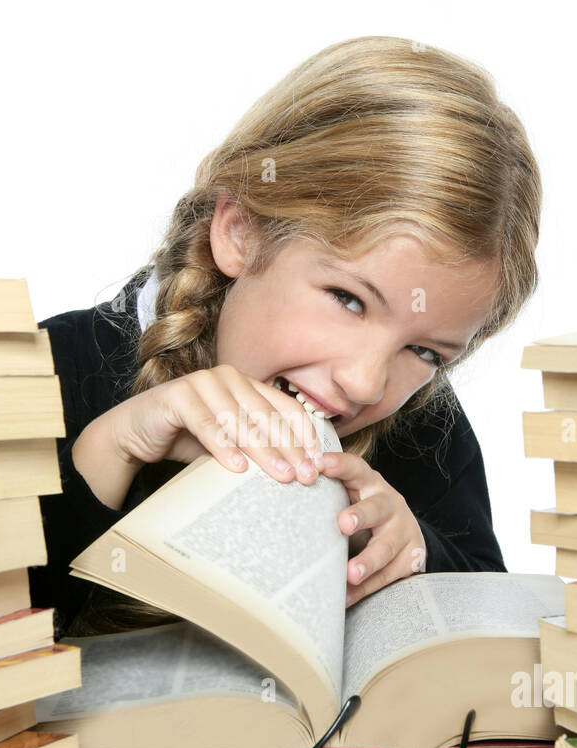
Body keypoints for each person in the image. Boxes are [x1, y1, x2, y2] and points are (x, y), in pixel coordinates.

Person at [28, 35, 541, 638]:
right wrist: (108, 453)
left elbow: (491, 620)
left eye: (425, 351)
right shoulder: (44, 374)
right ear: (239, 232)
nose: (365, 384)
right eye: (348, 300)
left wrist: (417, 554)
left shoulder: (426, 429)